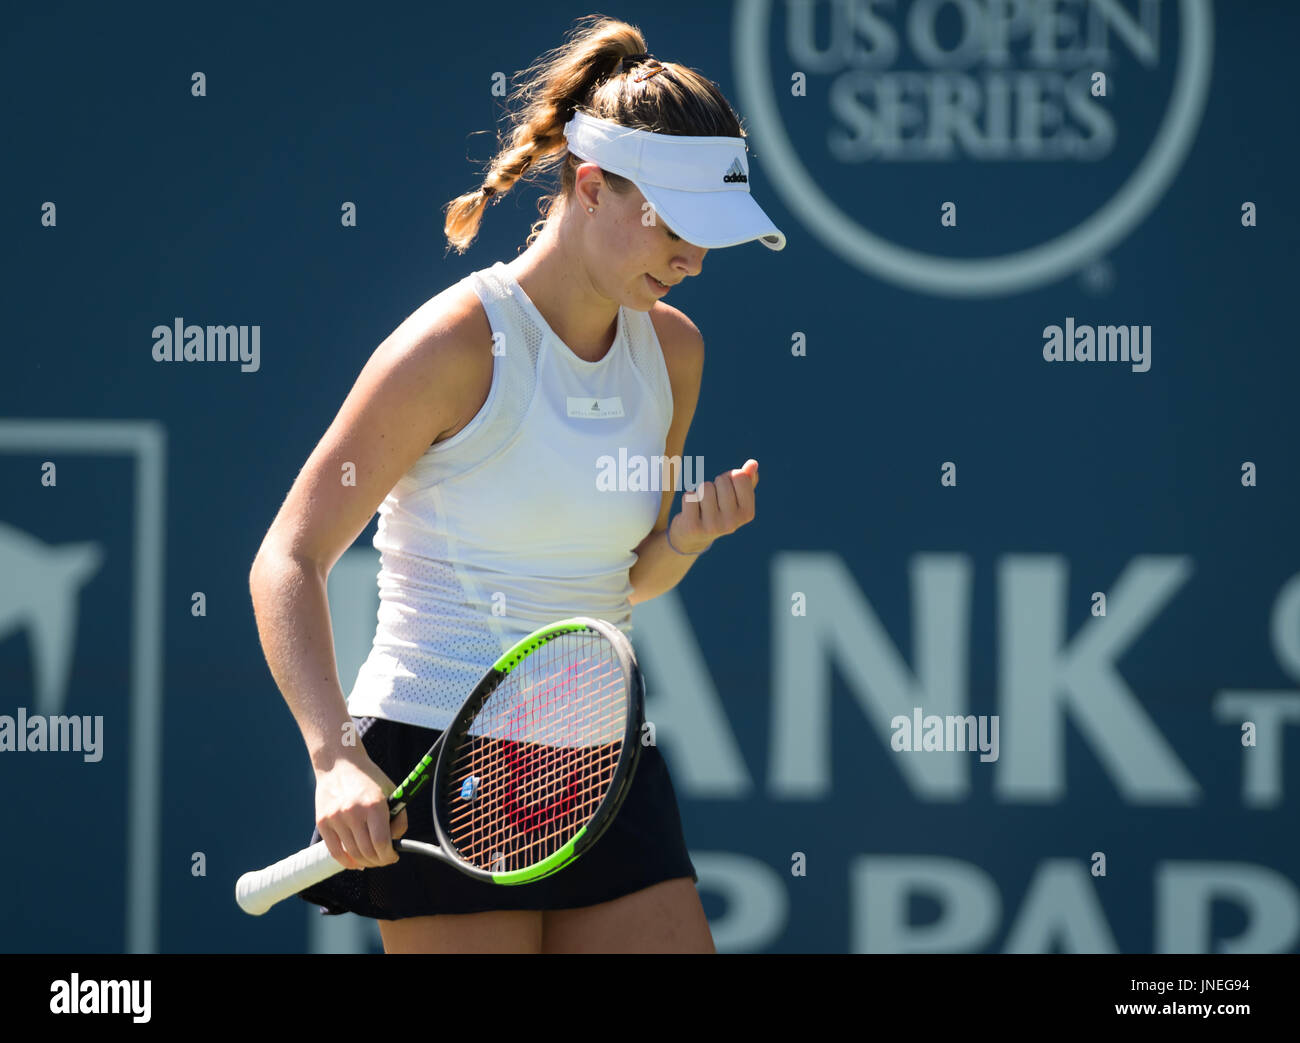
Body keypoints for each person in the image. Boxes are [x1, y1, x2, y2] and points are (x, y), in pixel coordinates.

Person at [248, 14, 783, 954]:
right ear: (591, 187)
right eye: (679, 228)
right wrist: (335, 757)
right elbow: (288, 557)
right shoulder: (452, 346)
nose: (696, 260)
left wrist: (686, 540)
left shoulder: (674, 350)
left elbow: (624, 583)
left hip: (602, 764)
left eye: (715, 237)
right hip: (439, 756)